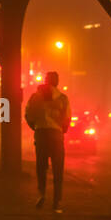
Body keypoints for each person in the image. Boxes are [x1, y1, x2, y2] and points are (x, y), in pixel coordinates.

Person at [24, 71, 69, 212]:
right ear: (57, 82)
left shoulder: (35, 97)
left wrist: (36, 127)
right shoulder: (62, 98)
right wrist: (61, 129)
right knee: (58, 169)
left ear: (45, 81)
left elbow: (28, 114)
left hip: (41, 133)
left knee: (41, 166)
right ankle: (57, 202)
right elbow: (67, 117)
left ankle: (42, 194)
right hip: (56, 134)